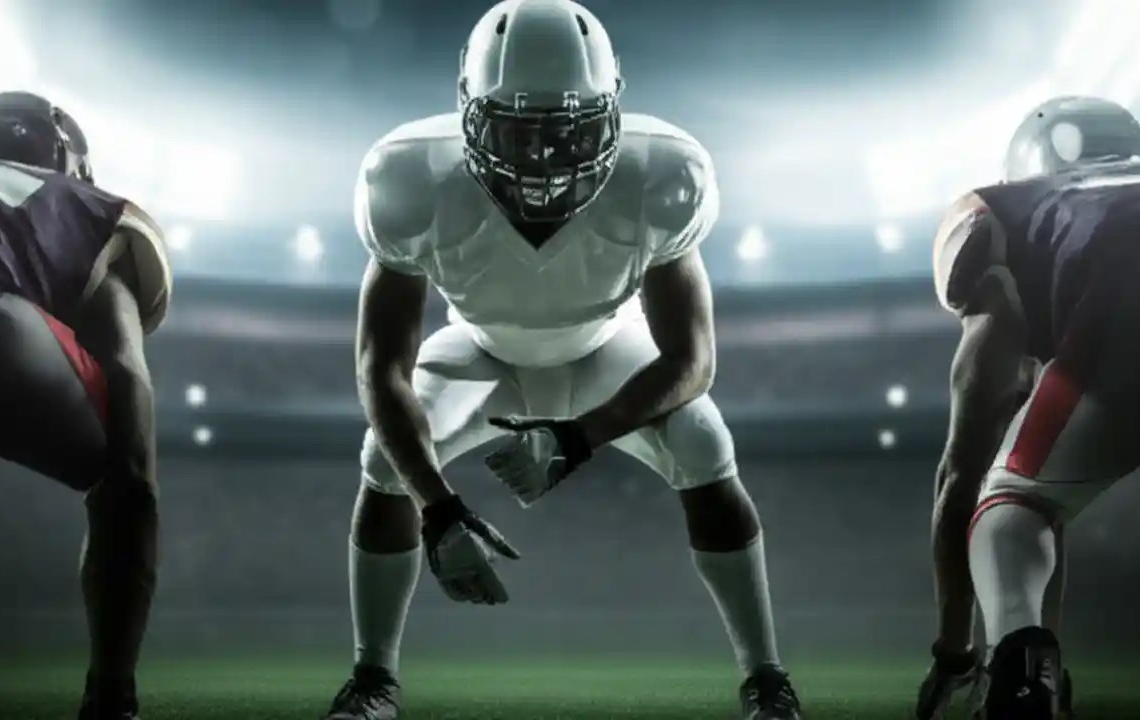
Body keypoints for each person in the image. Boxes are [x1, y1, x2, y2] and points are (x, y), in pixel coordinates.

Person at [326, 1, 803, 719]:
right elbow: (380, 369)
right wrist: (440, 512)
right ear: (470, 113)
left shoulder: (662, 175)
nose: (544, 161)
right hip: (481, 348)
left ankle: (767, 679)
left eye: (569, 133)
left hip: (606, 343)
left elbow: (693, 358)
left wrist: (579, 437)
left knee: (704, 441)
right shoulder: (409, 179)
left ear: (611, 113)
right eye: (517, 132)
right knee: (383, 459)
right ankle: (372, 681)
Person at [0, 91, 172, 720]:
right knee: (119, 473)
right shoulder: (82, 203)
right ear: (66, 159)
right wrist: (132, 480)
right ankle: (111, 696)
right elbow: (126, 373)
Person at [923, 95, 1140, 720]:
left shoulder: (998, 212)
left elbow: (962, 469)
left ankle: (1018, 679)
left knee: (1012, 507)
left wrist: (955, 650)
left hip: (1138, 306)